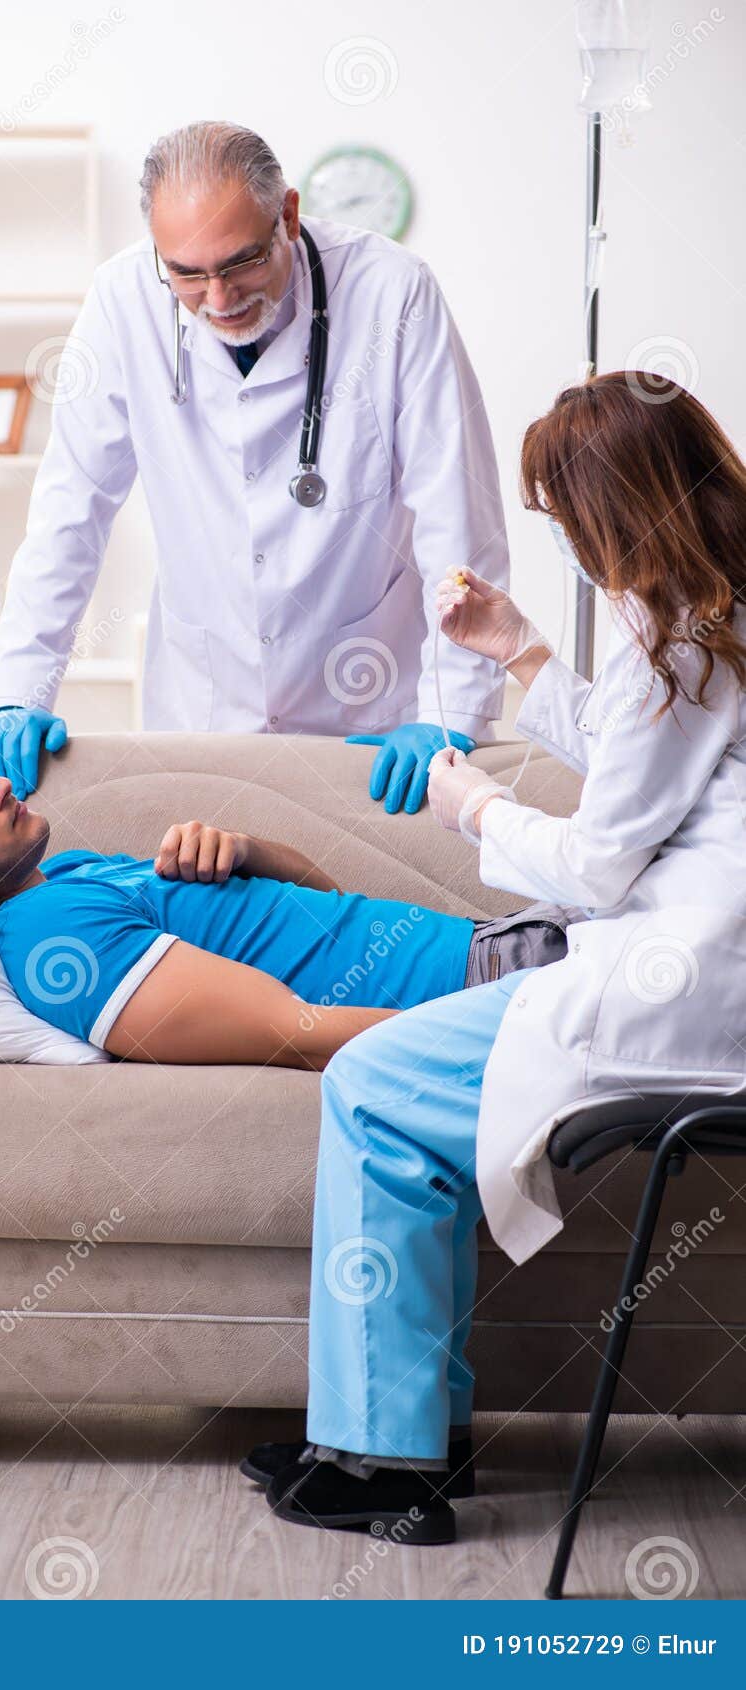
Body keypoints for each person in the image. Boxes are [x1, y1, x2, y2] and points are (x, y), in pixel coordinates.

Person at [253, 373, 746, 1541]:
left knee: (373, 1086)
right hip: (701, 973)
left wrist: (473, 805)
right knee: (401, 1099)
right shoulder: (710, 618)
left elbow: (597, 865)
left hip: (679, 981)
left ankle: (391, 1460)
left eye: (570, 520)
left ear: (615, 506)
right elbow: (644, 759)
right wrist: (520, 651)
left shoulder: (674, 636)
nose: (573, 548)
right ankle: (399, 1438)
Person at [0, 120, 509, 814]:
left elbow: (457, 518)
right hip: (202, 714)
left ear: (286, 213)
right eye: (188, 274)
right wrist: (20, 688)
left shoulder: (393, 293)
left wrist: (450, 709)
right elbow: (70, 510)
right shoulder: (121, 298)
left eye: (242, 263)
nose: (219, 300)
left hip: (372, 718)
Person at [0, 737, 575, 1070]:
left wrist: (246, 853)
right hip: (495, 987)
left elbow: (332, 907)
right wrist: (526, 1035)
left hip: (501, 947)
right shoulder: (52, 943)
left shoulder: (71, 877)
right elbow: (295, 1035)